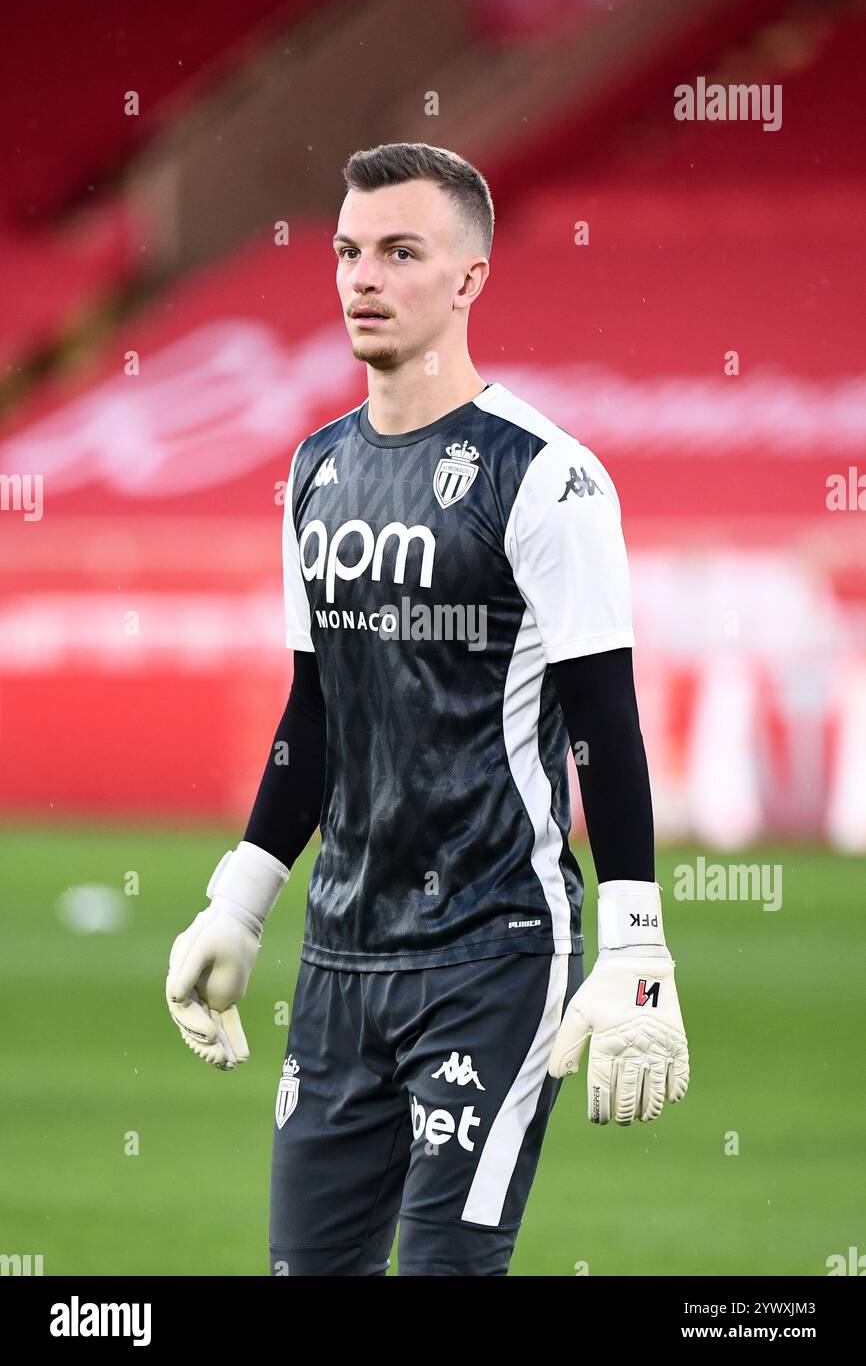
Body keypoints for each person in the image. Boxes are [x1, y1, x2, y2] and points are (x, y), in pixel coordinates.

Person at [166, 142, 689, 1277]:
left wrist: (638, 937)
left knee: (449, 1268)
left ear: (469, 279)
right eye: (349, 250)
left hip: (492, 946)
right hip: (341, 957)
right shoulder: (313, 471)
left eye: (400, 252)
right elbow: (317, 712)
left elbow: (603, 718)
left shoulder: (546, 477)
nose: (362, 276)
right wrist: (241, 901)